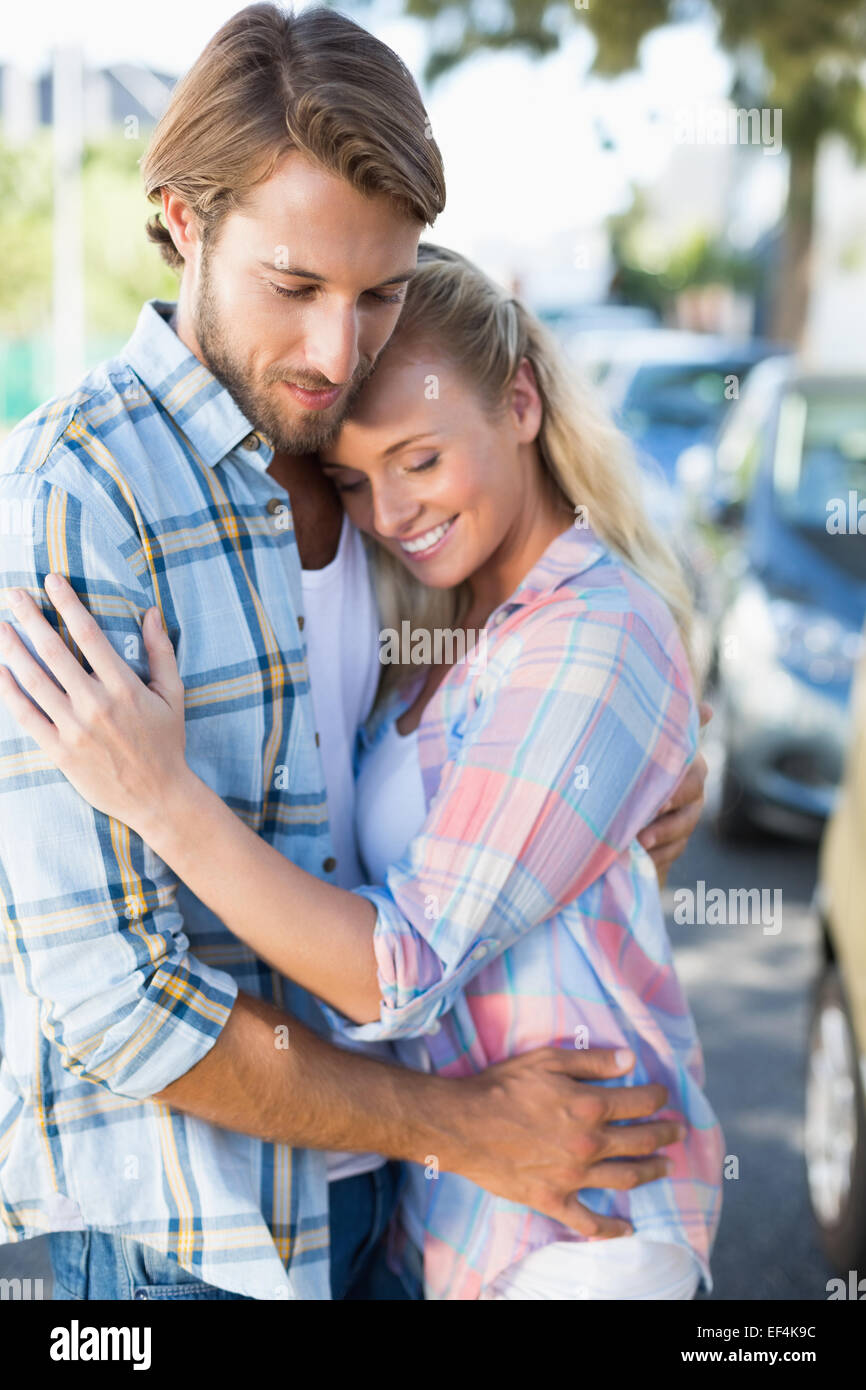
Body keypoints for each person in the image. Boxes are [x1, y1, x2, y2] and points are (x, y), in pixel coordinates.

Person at [0, 6, 708, 1300]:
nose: (338, 349)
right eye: (294, 287)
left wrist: (643, 772)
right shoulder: (76, 495)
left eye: (379, 291)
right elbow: (107, 993)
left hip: (399, 1215)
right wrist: (462, 1120)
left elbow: (499, 717)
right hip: (197, 1244)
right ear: (179, 218)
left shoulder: (372, 476)